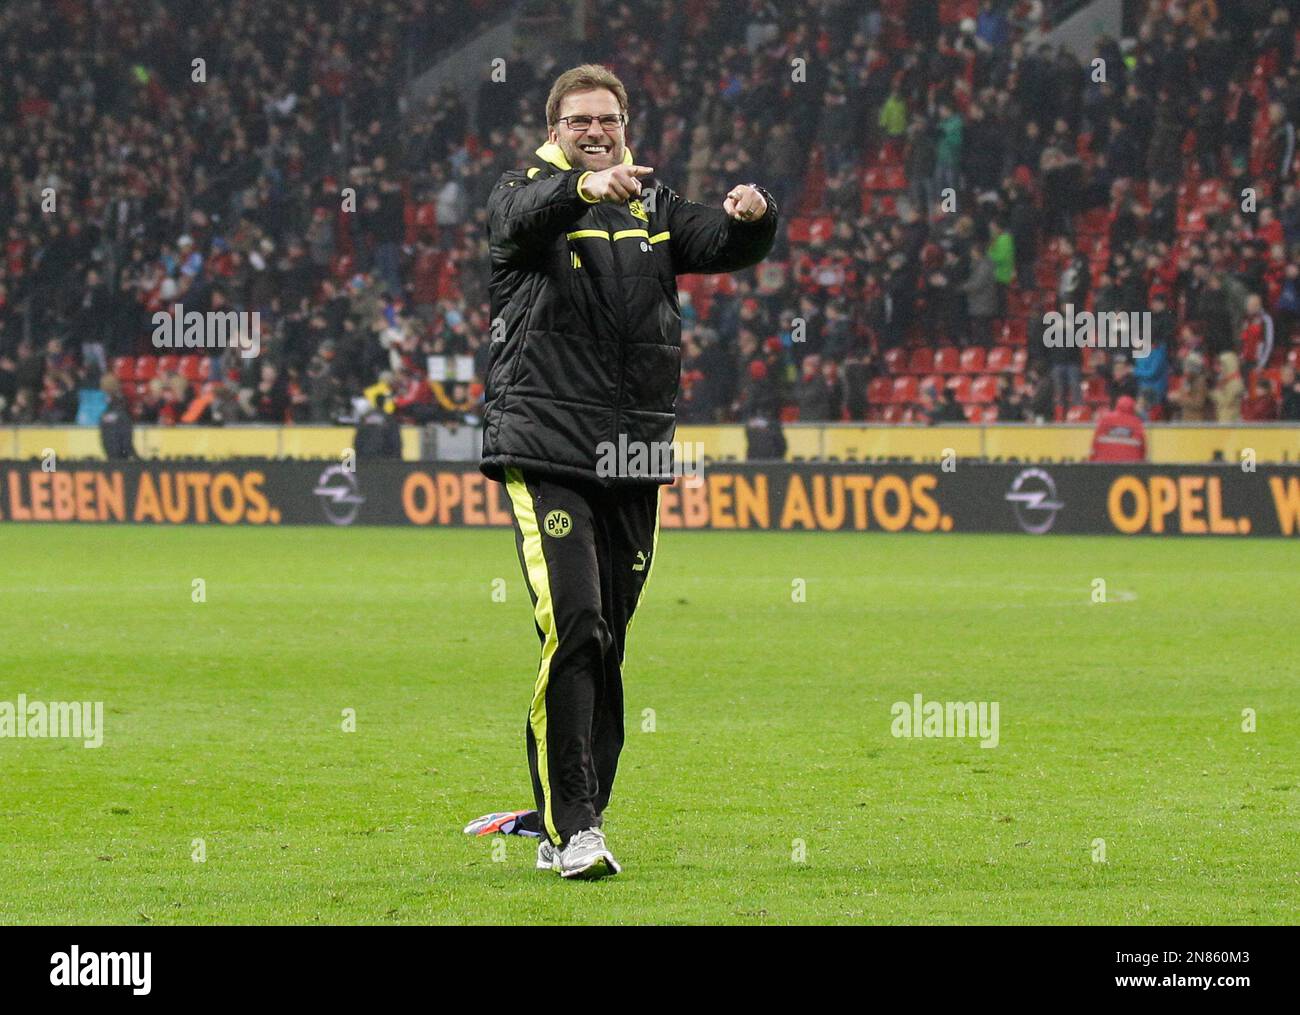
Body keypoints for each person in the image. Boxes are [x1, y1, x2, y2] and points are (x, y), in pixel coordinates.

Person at [472, 64, 777, 879]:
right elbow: (524, 217)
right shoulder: (525, 194)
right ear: (555, 130)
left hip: (633, 456)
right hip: (545, 447)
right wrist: (585, 187)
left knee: (607, 642)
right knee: (574, 623)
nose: (596, 131)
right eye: (579, 122)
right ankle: (575, 829)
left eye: (607, 119)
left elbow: (719, 241)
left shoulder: (655, 206)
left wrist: (753, 220)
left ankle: (572, 815)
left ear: (626, 123)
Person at [1090, 394, 1147, 462]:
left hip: (1104, 467)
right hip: (1129, 468)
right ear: (1133, 408)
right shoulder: (1137, 423)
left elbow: (1095, 445)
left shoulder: (1106, 420)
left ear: (1117, 405)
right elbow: (1143, 451)